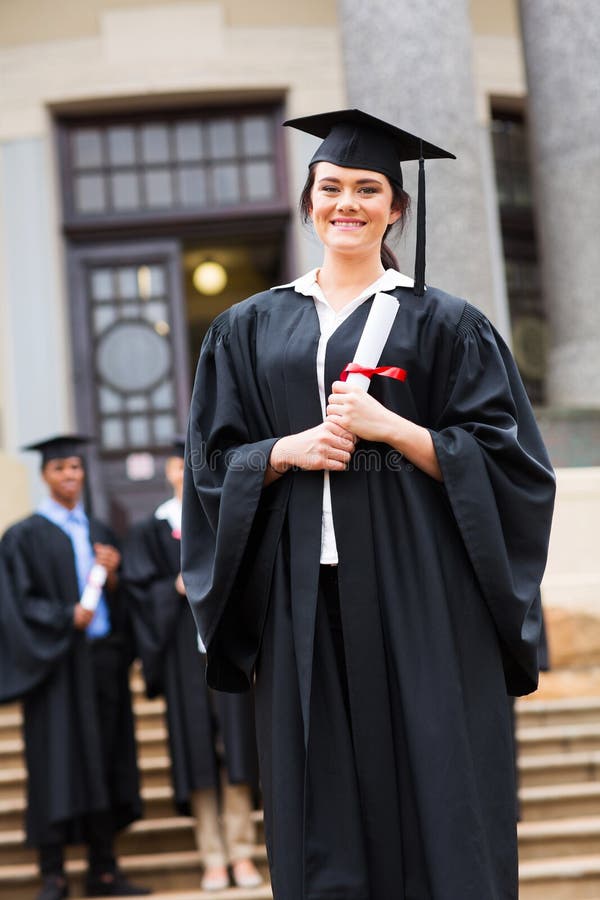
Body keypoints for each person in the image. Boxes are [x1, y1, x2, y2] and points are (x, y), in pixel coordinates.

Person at [181, 109, 556, 900]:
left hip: (421, 592)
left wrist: (397, 429)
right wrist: (283, 451)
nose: (346, 203)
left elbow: (513, 466)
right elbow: (210, 463)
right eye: (330, 188)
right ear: (308, 202)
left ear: (396, 208)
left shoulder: (447, 324)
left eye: (367, 189)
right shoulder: (249, 328)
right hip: (300, 600)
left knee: (439, 786)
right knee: (319, 803)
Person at [0, 435, 150, 900]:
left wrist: (114, 578)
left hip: (101, 665)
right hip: (56, 669)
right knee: (54, 765)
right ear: (45, 475)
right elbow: (16, 605)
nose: (70, 475)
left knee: (104, 761)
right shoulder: (23, 536)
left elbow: (123, 601)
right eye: (60, 468)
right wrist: (65, 616)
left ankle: (104, 870)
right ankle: (54, 874)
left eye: (75, 467)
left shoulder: (101, 531)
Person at [122, 439, 262, 892]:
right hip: (184, 656)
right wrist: (175, 587)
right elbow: (139, 592)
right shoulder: (153, 530)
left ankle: (241, 851)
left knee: (236, 754)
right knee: (199, 757)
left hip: (226, 648)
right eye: (177, 465)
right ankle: (212, 857)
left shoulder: (224, 518)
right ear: (168, 471)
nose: (183, 470)